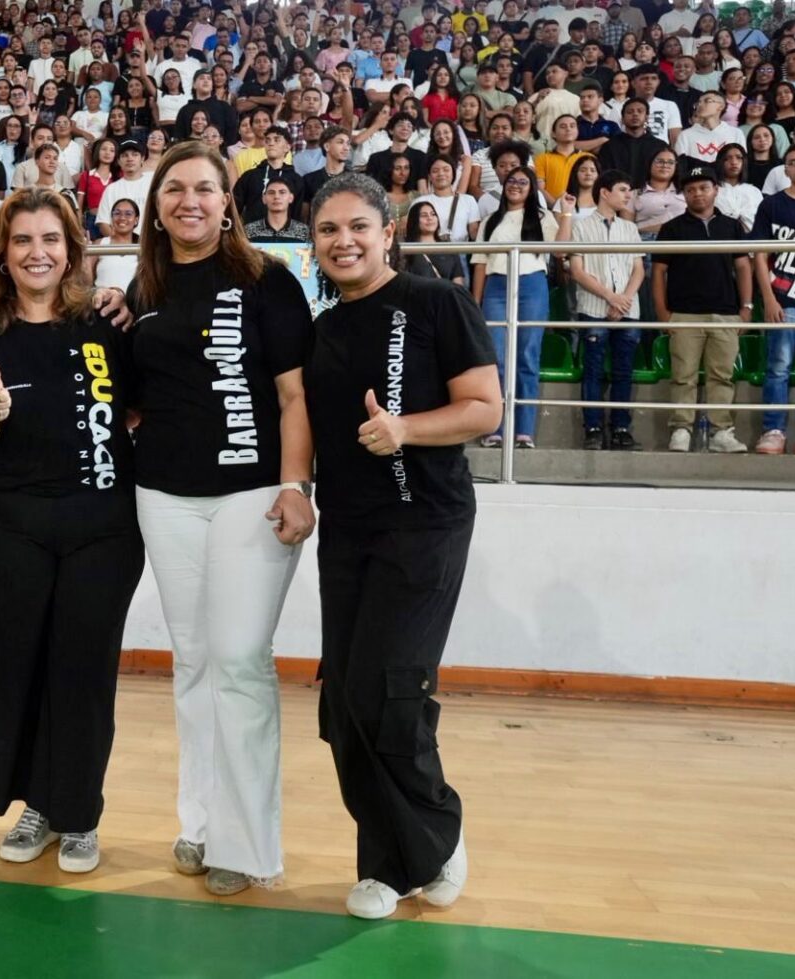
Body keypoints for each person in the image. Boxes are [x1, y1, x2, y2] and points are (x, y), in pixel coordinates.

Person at [305, 166, 502, 923]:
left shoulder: (435, 301)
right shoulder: (323, 330)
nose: (343, 240)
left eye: (358, 226)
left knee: (390, 692)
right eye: (328, 230)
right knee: (342, 704)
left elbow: (484, 407)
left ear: (389, 231)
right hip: (348, 528)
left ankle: (422, 846)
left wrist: (406, 429)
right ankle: (399, 851)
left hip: (425, 523)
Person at [126, 141, 314, 897]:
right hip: (164, 495)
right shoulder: (140, 288)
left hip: (252, 493)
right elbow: (135, 394)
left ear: (227, 201)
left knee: (239, 659)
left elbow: (296, 395)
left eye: (205, 188)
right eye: (175, 189)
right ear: (156, 204)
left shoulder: (268, 281)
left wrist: (297, 483)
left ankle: (247, 842)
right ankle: (200, 822)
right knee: (196, 660)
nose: (190, 201)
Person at [0, 187, 143, 875]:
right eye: (23, 239)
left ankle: (79, 811)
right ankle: (37, 801)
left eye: (49, 239)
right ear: (4, 249)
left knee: (83, 670)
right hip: (7, 524)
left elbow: (143, 408)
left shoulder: (108, 321)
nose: (37, 252)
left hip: (103, 525)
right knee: (17, 664)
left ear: (71, 249)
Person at [470, 166, 573, 448]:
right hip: (495, 287)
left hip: (532, 286)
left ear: (532, 189)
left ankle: (523, 430)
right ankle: (495, 427)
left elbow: (560, 251)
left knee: (527, 357)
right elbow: (480, 261)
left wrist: (565, 213)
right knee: (497, 360)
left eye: (523, 182)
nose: (515, 186)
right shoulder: (491, 219)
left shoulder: (541, 217)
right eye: (511, 181)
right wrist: (476, 302)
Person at [655, 165, 754, 453]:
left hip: (725, 311)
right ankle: (681, 429)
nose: (697, 193)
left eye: (703, 187)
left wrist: (746, 307)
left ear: (715, 190)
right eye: (690, 189)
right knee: (682, 375)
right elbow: (659, 272)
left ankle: (721, 432)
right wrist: (663, 313)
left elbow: (743, 266)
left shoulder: (732, 226)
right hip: (684, 313)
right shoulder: (672, 228)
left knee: (722, 375)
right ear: (684, 194)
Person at [568, 169, 645, 450]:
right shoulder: (581, 226)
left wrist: (622, 298)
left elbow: (638, 269)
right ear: (605, 192)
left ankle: (622, 428)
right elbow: (577, 270)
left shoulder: (630, 228)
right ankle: (593, 428)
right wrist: (610, 297)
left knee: (624, 371)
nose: (628, 196)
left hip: (628, 309)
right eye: (623, 190)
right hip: (594, 307)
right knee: (594, 370)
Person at [750, 139, 795, 455]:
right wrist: (768, 298)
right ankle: (773, 429)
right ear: (785, 169)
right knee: (779, 364)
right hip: (784, 297)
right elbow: (759, 255)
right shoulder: (771, 205)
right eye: (794, 161)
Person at [402, 201, 466, 284]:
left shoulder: (449, 248)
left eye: (433, 214)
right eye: (424, 215)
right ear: (414, 220)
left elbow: (458, 283)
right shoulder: (407, 250)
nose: (430, 218)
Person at [243, 181, 309, 242]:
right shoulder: (249, 231)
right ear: (264, 198)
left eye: (282, 192)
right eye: (271, 193)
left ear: (291, 198)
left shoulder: (304, 231)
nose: (276, 197)